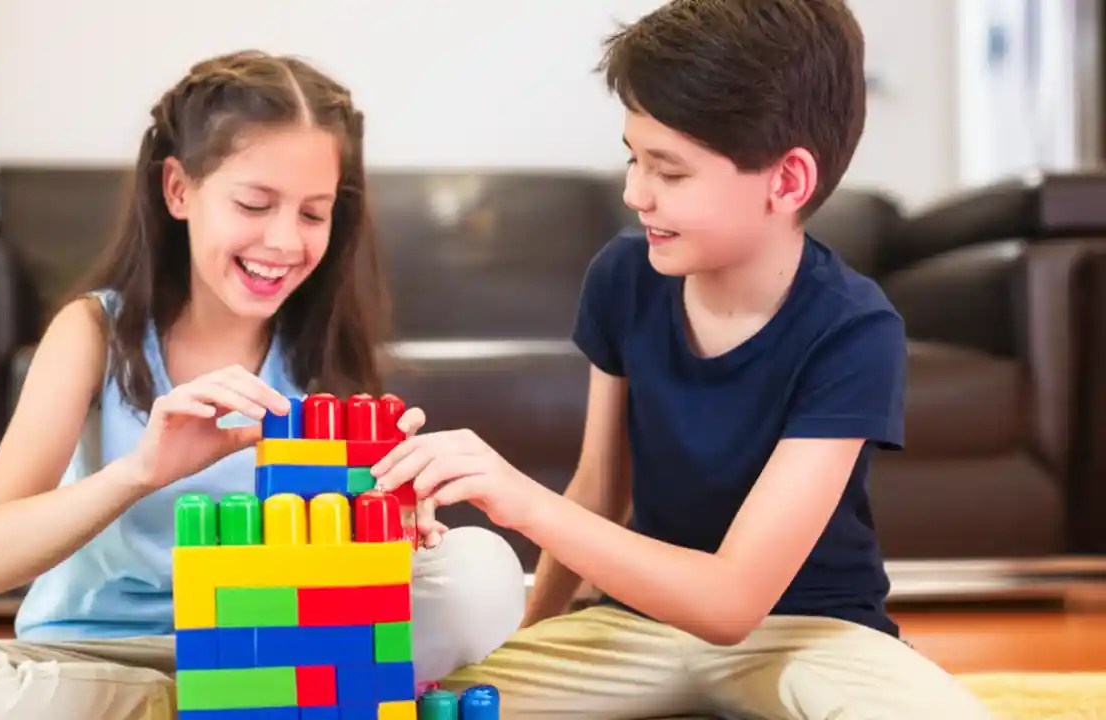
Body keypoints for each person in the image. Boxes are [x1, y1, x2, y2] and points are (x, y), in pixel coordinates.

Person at [371, 2, 993, 718]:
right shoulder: (624, 277)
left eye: (669, 170)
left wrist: (521, 500)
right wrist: (531, 635)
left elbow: (732, 603)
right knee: (422, 702)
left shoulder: (855, 330)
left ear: (787, 182)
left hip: (811, 635)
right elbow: (601, 486)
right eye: (634, 158)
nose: (635, 193)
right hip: (637, 626)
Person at [0, 50, 524, 720]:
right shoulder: (93, 331)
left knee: (483, 574)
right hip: (104, 660)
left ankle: (247, 699)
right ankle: (226, 707)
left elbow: (346, 566)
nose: (284, 241)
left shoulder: (325, 348)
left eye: (313, 213)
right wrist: (140, 471)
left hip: (277, 642)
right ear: (177, 189)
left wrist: (393, 521)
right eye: (254, 203)